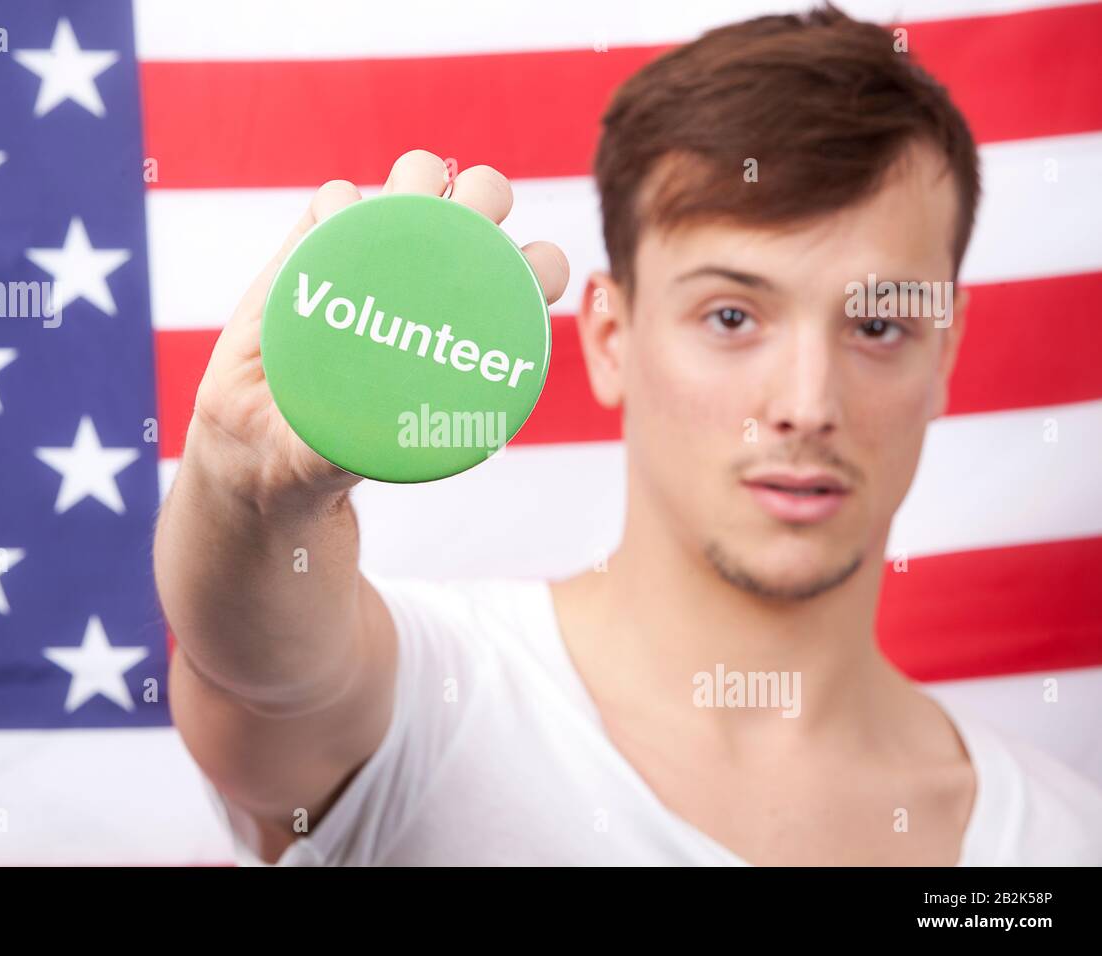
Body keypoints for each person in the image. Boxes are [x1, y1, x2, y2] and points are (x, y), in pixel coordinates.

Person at [154, 4, 1102, 865]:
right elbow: (258, 679)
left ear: (943, 353)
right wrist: (248, 493)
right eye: (731, 317)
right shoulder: (429, 709)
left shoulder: (1057, 843)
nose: (808, 404)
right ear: (610, 338)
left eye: (880, 324)